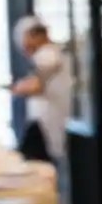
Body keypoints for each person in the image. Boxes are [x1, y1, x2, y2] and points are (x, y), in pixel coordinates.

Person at [11, 16, 72, 166]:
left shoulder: (46, 54)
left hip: (48, 121)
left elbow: (37, 85)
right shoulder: (55, 52)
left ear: (35, 35)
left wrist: (18, 88)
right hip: (51, 119)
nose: (23, 46)